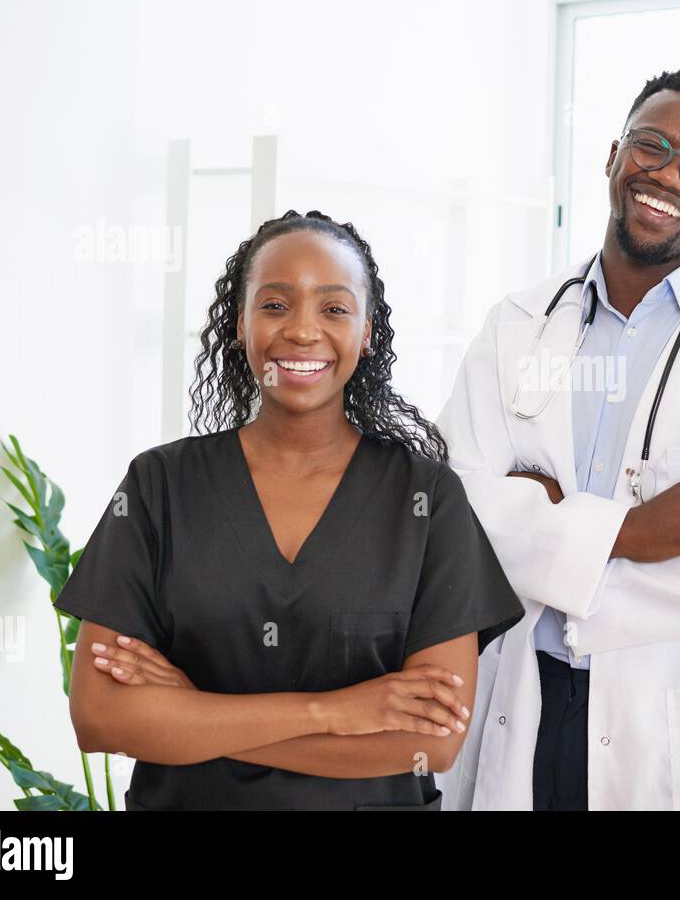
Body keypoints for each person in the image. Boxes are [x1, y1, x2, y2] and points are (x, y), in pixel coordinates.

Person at [435, 70, 680, 810]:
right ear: (614, 156)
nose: (670, 176)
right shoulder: (515, 324)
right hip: (522, 700)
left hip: (678, 732)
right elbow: (457, 515)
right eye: (651, 146)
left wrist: (551, 531)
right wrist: (629, 532)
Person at [53, 210, 524, 810]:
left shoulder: (426, 499)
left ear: (367, 331)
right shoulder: (160, 486)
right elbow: (101, 718)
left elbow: (431, 743)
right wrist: (337, 711)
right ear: (240, 323)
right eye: (275, 305)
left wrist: (192, 713)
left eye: (334, 308)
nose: (303, 331)